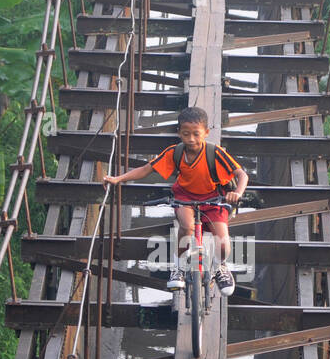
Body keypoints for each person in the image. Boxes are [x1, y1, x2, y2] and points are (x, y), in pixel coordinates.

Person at [103, 105, 249, 296]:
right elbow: (148, 169)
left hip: (214, 197)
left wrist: (237, 193)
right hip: (185, 197)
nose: (191, 139)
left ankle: (220, 267)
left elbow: (242, 175)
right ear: (179, 132)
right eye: (186, 133)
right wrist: (118, 179)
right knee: (187, 228)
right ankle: (179, 266)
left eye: (196, 134)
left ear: (206, 132)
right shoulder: (176, 152)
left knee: (223, 244)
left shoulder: (215, 153)